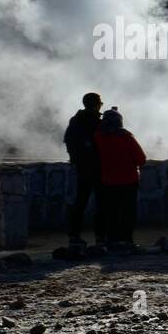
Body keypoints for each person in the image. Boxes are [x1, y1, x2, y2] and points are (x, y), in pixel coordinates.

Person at [94, 108, 146, 251]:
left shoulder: (98, 137)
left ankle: (112, 239)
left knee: (111, 212)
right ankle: (127, 239)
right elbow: (141, 159)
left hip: (108, 181)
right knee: (128, 212)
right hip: (129, 180)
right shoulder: (126, 137)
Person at [63, 92, 106, 245]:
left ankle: (74, 235)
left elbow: (68, 140)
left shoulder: (75, 121)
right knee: (101, 204)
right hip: (98, 167)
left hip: (82, 166)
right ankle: (101, 236)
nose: (101, 105)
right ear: (96, 104)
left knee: (81, 202)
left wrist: (76, 160)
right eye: (100, 102)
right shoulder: (97, 122)